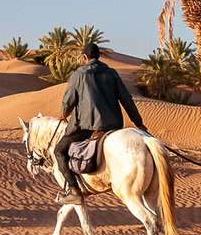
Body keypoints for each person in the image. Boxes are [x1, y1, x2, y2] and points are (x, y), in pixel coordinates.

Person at [54, 41, 146, 204]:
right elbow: (126, 99)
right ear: (99, 57)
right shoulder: (112, 73)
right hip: (114, 126)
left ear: (83, 57)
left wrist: (63, 114)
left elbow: (69, 101)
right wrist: (138, 122)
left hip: (86, 127)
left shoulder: (79, 74)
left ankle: (74, 190)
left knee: (59, 151)